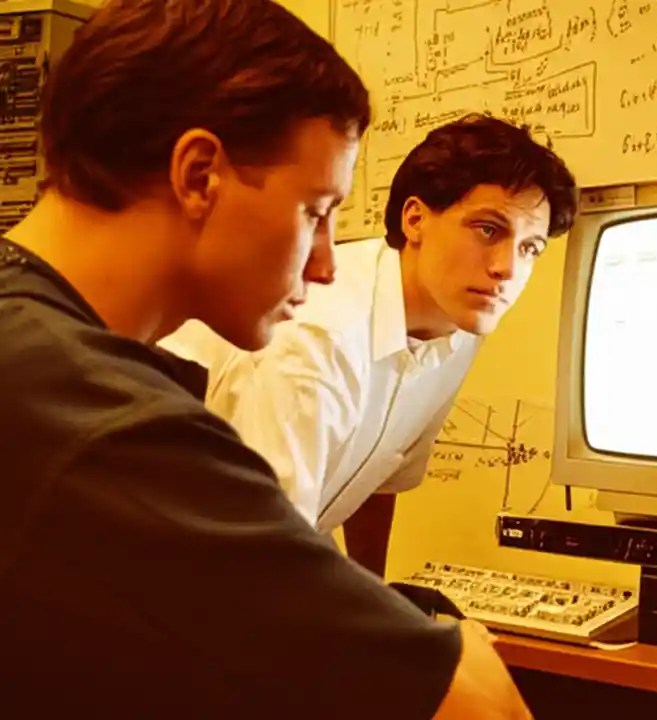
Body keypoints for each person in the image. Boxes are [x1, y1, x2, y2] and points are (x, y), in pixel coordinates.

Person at [0, 2, 528, 717]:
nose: (326, 266)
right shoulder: (99, 420)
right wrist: (453, 648)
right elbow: (474, 703)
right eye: (315, 211)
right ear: (199, 176)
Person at [161, 113, 579, 573]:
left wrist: (379, 588)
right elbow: (266, 545)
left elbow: (378, 478)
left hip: (261, 553)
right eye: (488, 230)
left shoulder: (457, 325)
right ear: (415, 219)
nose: (507, 269)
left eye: (530, 248)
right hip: (175, 560)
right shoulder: (318, 336)